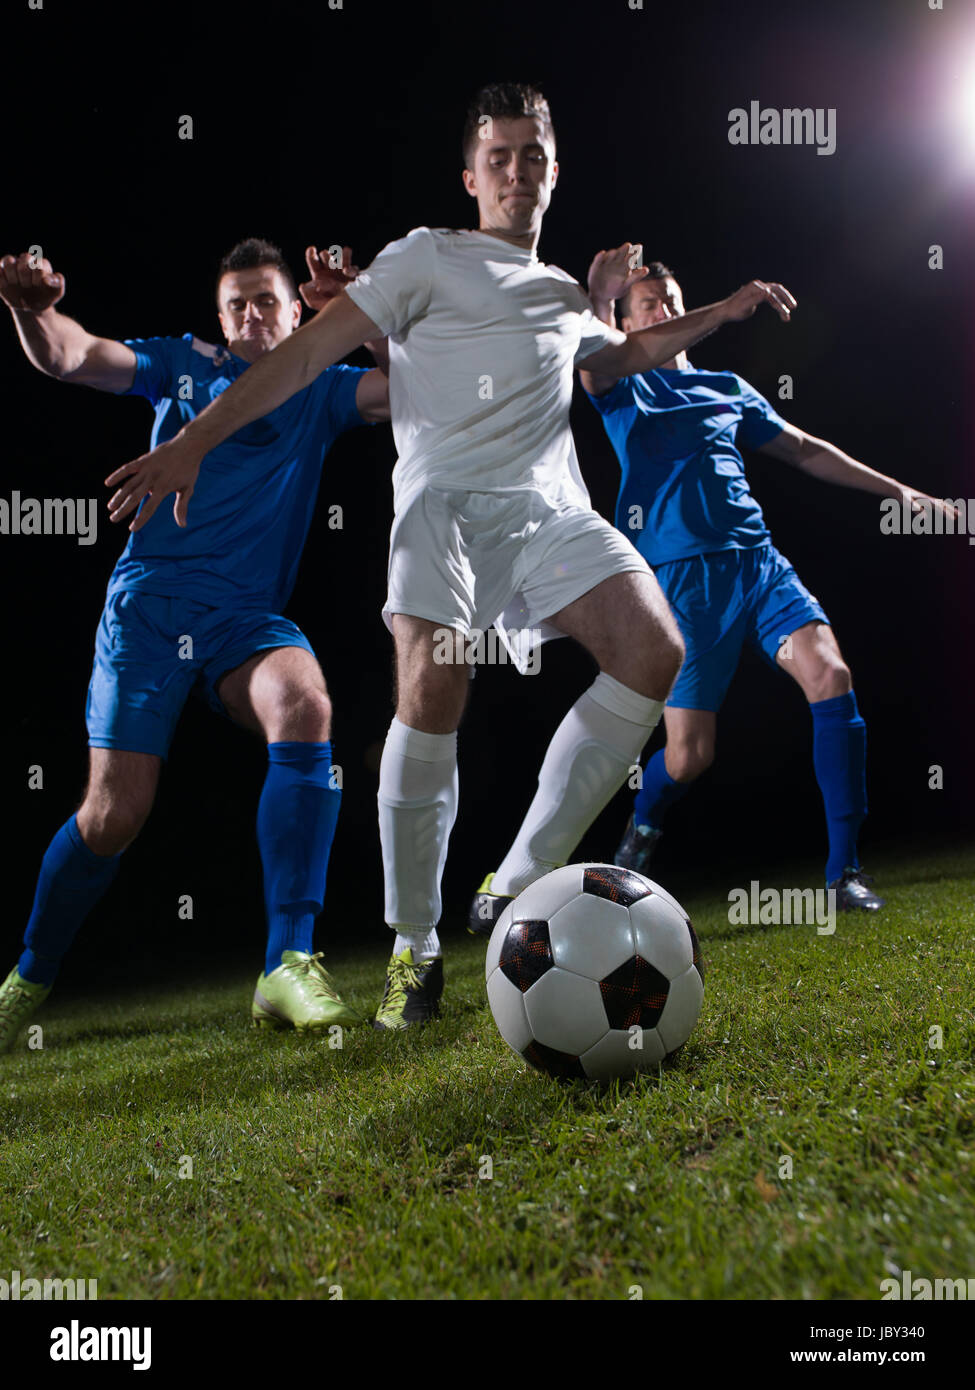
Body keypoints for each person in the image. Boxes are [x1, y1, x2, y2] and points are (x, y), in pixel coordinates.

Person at [100, 84, 795, 1028]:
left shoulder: (557, 294)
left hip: (548, 513)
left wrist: (723, 307)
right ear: (471, 176)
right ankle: (412, 948)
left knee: (654, 651)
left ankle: (515, 875)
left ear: (554, 172)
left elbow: (626, 353)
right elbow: (304, 358)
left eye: (533, 156)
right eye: (498, 157)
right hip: (442, 513)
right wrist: (194, 441)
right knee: (434, 687)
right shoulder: (424, 257)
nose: (517, 172)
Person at [0, 237, 390, 1053]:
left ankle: (286, 962)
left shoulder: (320, 386)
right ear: (218, 320)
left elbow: (426, 390)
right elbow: (73, 355)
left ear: (295, 313)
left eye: (267, 300)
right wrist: (30, 311)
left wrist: (361, 321)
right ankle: (29, 974)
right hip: (149, 612)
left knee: (305, 702)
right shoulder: (178, 364)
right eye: (236, 303)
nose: (252, 313)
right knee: (114, 816)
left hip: (244, 619)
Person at [578, 249, 953, 908]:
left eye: (671, 300)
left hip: (757, 565)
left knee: (829, 674)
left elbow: (803, 450)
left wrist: (901, 493)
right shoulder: (625, 382)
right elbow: (593, 358)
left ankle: (844, 874)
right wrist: (605, 301)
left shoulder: (724, 388)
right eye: (650, 306)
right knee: (690, 756)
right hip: (681, 586)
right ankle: (644, 823)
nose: (666, 312)